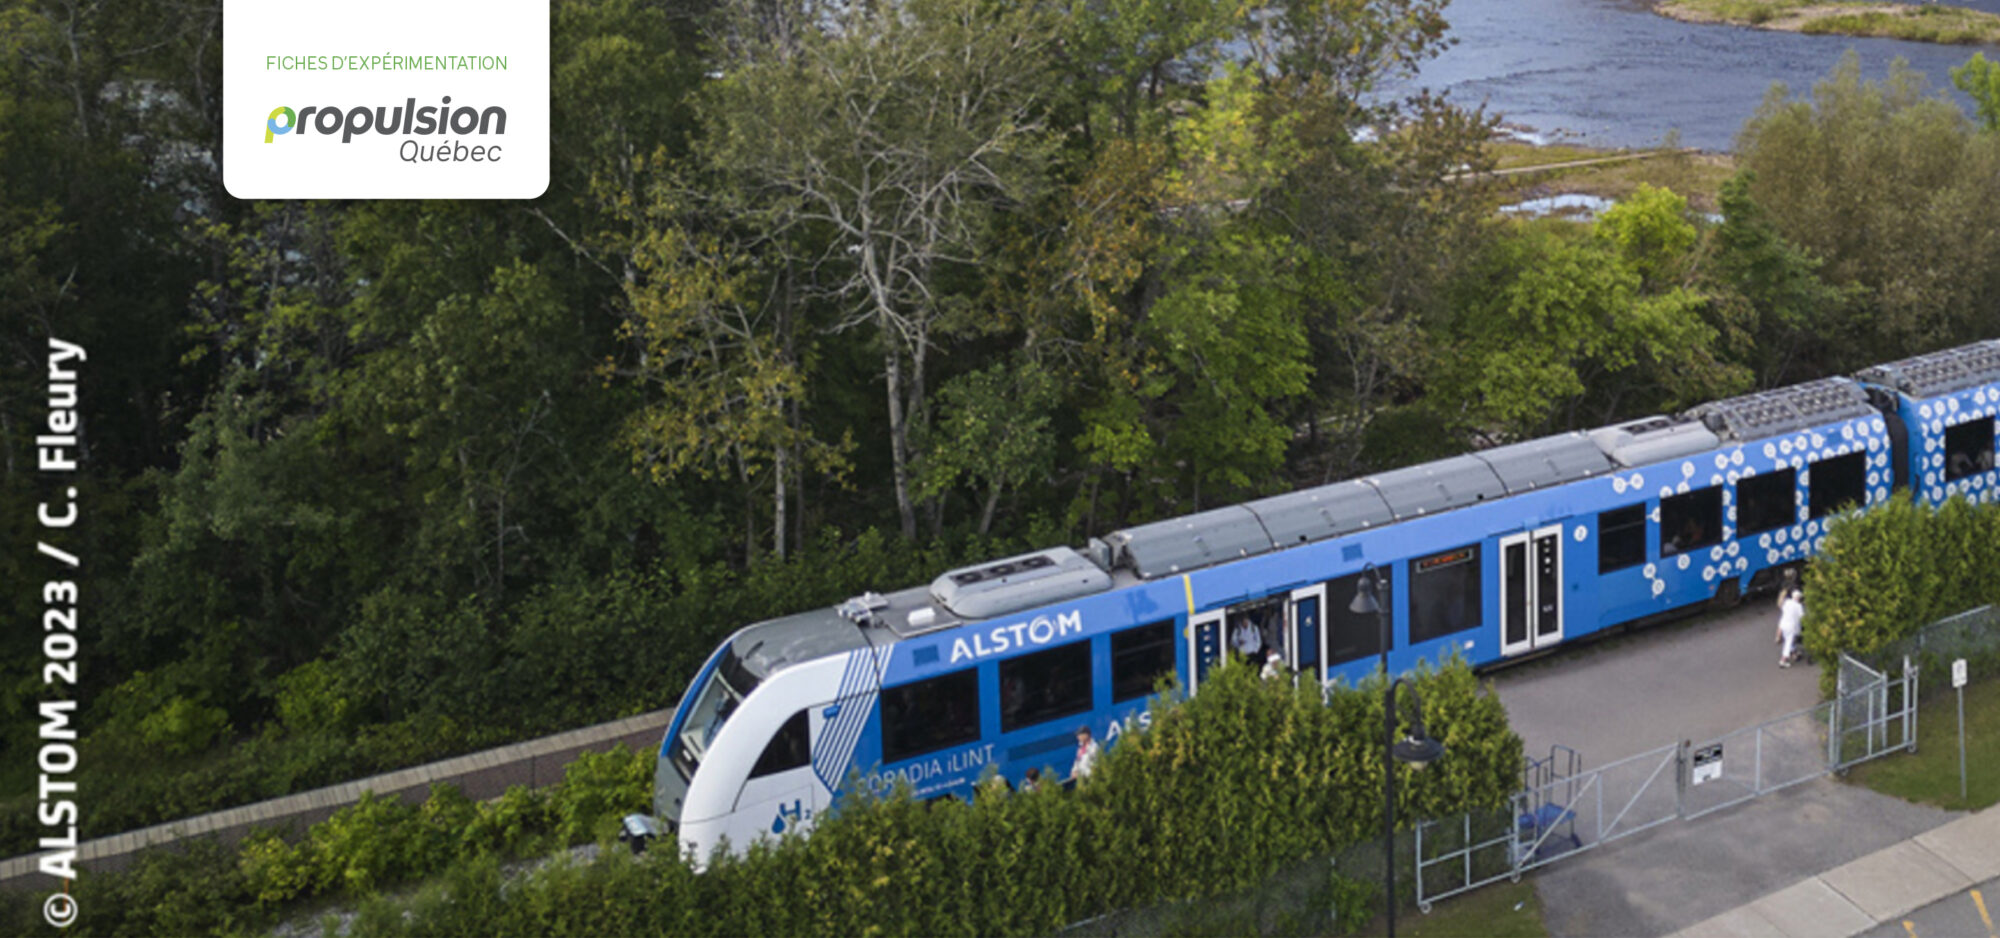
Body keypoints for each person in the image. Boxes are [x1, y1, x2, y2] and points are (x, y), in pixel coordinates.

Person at [1776, 588, 1804, 668]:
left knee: (1788, 640)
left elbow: (1781, 605)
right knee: (1788, 642)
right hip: (1791, 626)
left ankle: (1794, 654)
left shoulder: (1787, 602)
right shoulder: (1798, 606)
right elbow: (1802, 617)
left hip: (1783, 625)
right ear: (1798, 598)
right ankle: (1783, 660)